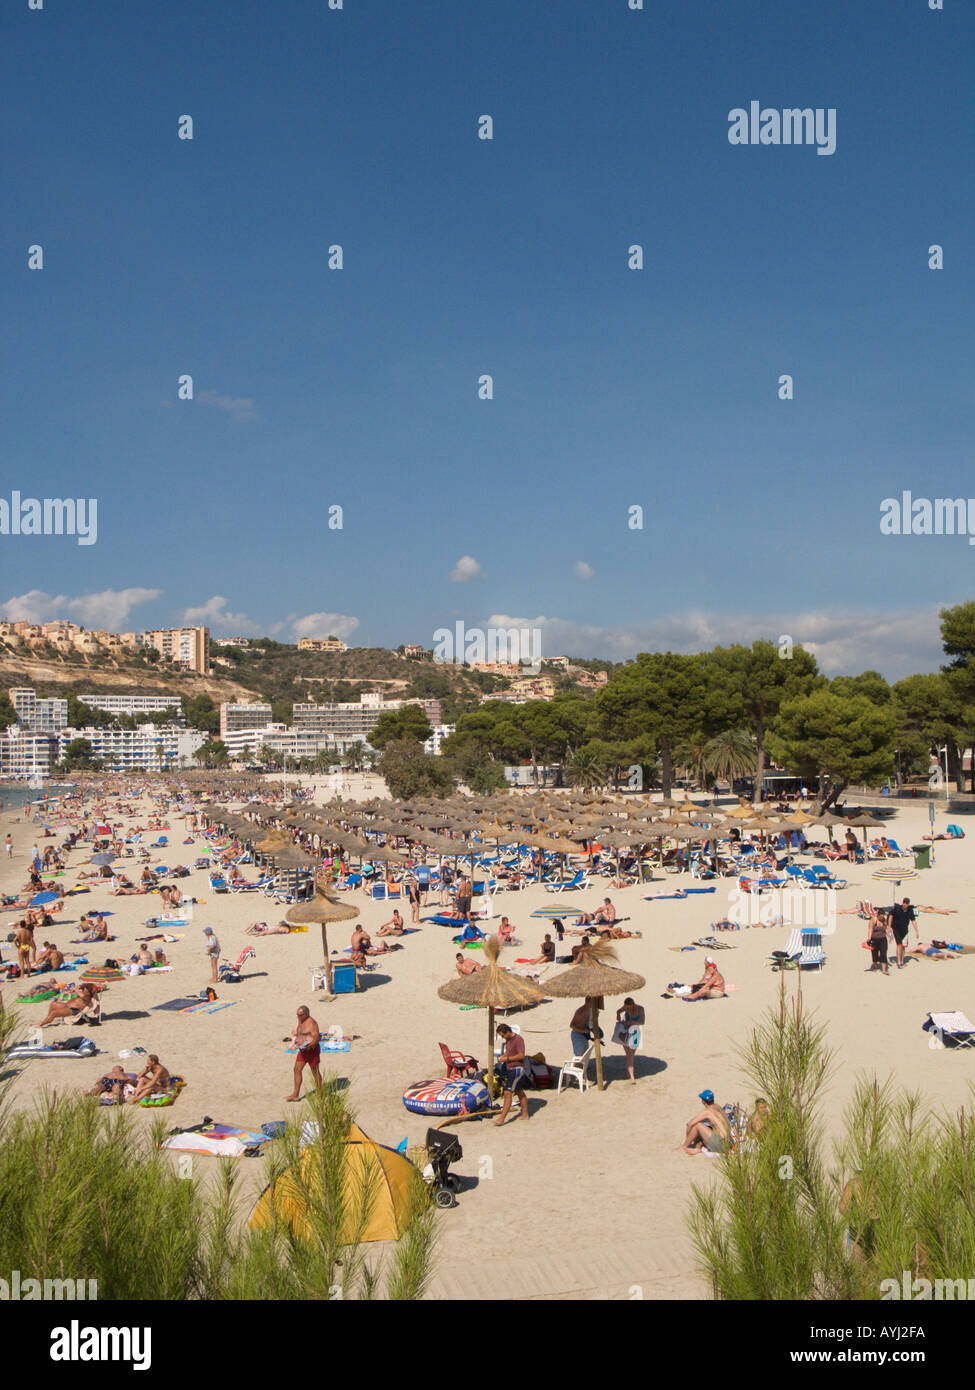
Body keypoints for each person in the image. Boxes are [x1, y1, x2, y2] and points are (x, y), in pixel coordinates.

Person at [494, 1023, 529, 1124]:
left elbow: (521, 1055)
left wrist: (507, 1059)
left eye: (503, 1035)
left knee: (507, 1092)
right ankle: (525, 1114)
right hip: (511, 1069)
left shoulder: (518, 1040)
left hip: (516, 1068)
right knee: (519, 1091)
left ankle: (502, 1118)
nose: (503, 1037)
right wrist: (503, 1056)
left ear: (508, 1032)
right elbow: (509, 1052)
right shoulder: (508, 1040)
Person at [678, 1089, 731, 1155]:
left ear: (703, 1101)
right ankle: (698, 1148)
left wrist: (689, 1140)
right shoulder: (718, 1107)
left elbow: (689, 1124)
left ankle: (684, 1146)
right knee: (706, 1128)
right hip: (728, 1143)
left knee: (698, 1125)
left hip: (721, 1145)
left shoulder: (707, 1111)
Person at [285, 1006, 321, 1101]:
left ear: (306, 1014)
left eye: (300, 1015)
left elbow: (317, 1038)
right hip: (302, 1050)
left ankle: (321, 1092)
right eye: (297, 1015)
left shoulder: (312, 1023)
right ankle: (295, 1095)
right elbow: (297, 1033)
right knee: (296, 1069)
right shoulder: (300, 1021)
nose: (298, 1016)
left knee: (315, 1072)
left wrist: (308, 1046)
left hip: (312, 1050)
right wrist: (296, 1042)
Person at [36, 982, 100, 1029]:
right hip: (67, 1005)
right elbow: (81, 986)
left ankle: (40, 1024)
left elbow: (80, 994)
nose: (83, 990)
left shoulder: (87, 996)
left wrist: (76, 989)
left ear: (89, 991)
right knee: (53, 1004)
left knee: (54, 1013)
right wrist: (81, 986)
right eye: (84, 989)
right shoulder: (85, 991)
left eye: (85, 989)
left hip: (74, 1010)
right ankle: (48, 1019)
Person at [614, 997, 645, 1083]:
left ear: (633, 1004)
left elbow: (642, 1022)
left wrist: (631, 1022)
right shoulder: (625, 1007)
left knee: (631, 1053)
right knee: (629, 1054)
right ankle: (632, 1077)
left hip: (635, 1032)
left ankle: (631, 1073)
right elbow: (618, 1011)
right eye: (627, 1008)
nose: (628, 1009)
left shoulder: (640, 1009)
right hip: (625, 1031)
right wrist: (618, 1016)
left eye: (629, 1007)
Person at [886, 898, 919, 969]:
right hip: (896, 929)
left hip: (905, 931)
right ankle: (899, 962)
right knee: (899, 945)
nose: (905, 904)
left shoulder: (910, 911)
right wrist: (889, 926)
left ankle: (902, 961)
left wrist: (916, 931)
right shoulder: (897, 908)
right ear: (902, 903)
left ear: (908, 904)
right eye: (904, 903)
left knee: (903, 947)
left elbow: (913, 921)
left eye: (907, 903)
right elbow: (891, 915)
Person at [867, 907, 890, 975]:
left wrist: (889, 936)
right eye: (880, 917)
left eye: (883, 917)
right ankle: (875, 966)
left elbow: (886, 929)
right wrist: (869, 938)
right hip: (874, 939)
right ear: (878, 915)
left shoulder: (884, 920)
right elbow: (870, 929)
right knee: (874, 953)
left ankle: (884, 970)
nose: (882, 918)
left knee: (883, 954)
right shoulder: (873, 920)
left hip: (883, 939)